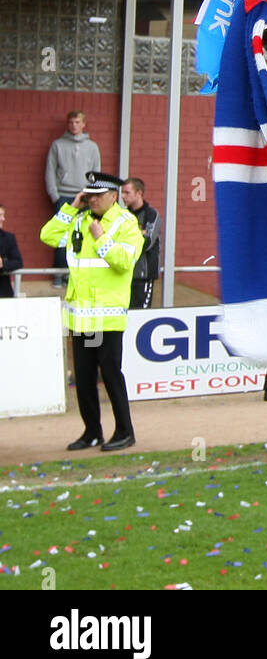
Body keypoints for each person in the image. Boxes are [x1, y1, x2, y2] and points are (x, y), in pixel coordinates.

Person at [39, 171, 144, 451]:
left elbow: (124, 262)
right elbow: (47, 236)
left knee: (110, 373)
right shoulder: (80, 219)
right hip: (80, 315)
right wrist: (71, 207)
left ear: (113, 196)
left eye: (98, 195)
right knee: (84, 377)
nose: (93, 200)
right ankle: (92, 431)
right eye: (90, 195)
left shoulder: (126, 224)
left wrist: (101, 240)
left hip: (107, 316)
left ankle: (124, 431)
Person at [46, 110, 101, 281]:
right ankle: (59, 274)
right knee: (62, 236)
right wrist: (55, 195)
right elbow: (50, 171)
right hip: (63, 195)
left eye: (77, 122)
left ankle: (75, 275)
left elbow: (96, 172)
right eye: (71, 122)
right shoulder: (57, 145)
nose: (74, 126)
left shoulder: (92, 147)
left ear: (84, 124)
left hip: (84, 197)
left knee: (82, 234)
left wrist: (92, 195)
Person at [119, 177, 160, 310]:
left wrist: (128, 236)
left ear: (139, 193)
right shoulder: (122, 215)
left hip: (144, 274)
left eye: (127, 192)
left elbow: (147, 242)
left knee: (140, 313)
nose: (123, 196)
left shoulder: (152, 214)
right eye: (122, 193)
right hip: (124, 272)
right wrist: (137, 233)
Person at [0, 203, 23, 298]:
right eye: (0, 215)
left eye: (3, 215)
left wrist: (3, 264)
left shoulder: (9, 238)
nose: (3, 219)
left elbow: (18, 262)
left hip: (3, 292)